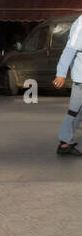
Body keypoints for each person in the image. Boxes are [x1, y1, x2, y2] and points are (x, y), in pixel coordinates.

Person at [51, 13, 82, 156]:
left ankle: (65, 143)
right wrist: (61, 74)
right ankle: (64, 142)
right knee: (74, 111)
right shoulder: (80, 23)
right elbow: (69, 49)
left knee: (76, 111)